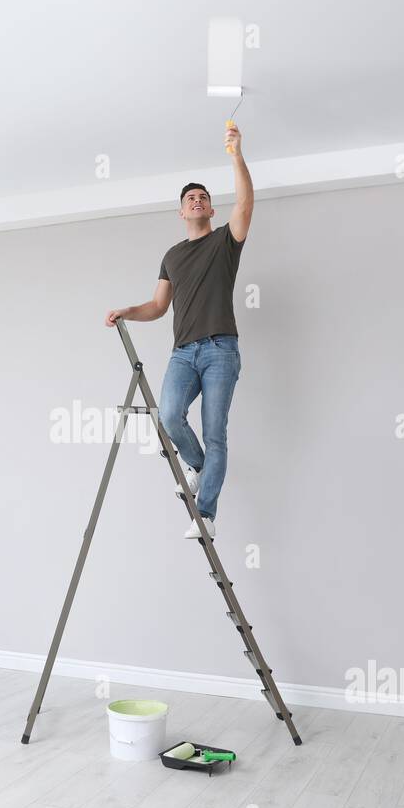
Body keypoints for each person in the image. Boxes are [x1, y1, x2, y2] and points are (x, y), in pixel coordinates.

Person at [105, 122, 253, 539]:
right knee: (169, 416)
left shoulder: (225, 241)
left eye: (204, 197)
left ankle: (205, 513)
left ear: (210, 210)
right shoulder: (172, 255)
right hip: (184, 352)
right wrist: (127, 311)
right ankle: (202, 469)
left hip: (222, 349)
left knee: (215, 431)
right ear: (182, 211)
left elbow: (245, 204)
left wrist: (236, 155)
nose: (198, 200)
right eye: (191, 198)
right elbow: (157, 305)